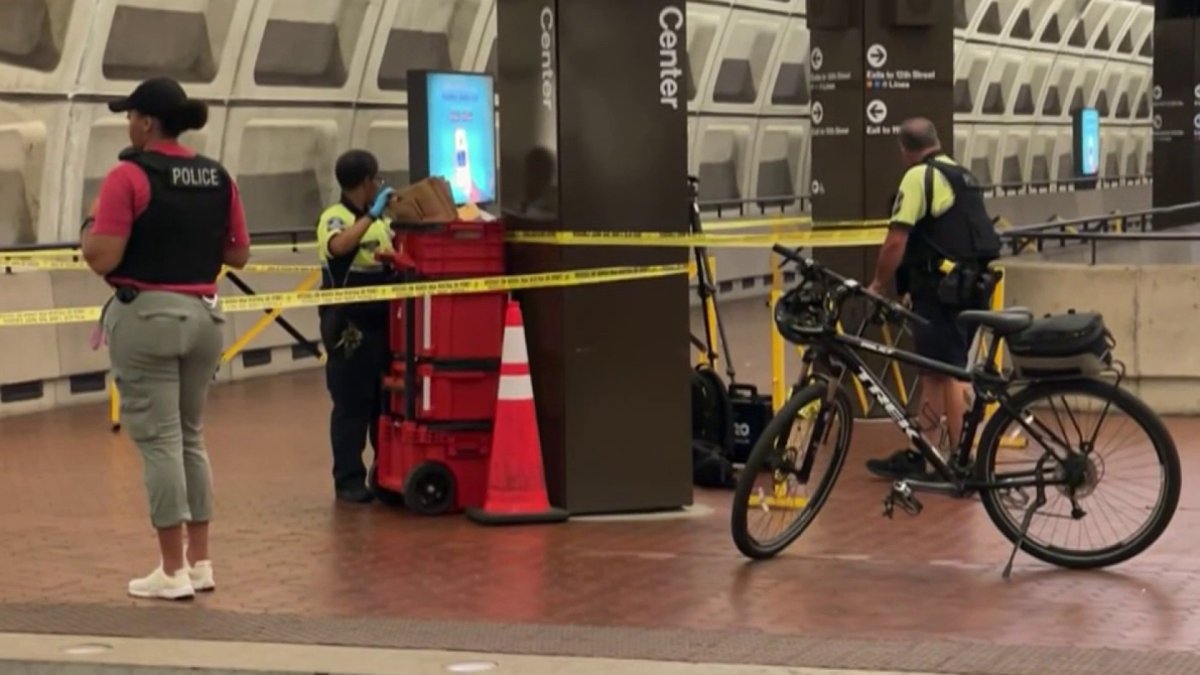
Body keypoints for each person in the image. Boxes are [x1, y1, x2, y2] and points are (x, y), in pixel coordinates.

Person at [81, 76, 250, 600]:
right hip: (204, 316)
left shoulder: (128, 176)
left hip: (148, 317)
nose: (127, 124)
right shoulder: (218, 176)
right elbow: (238, 254)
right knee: (191, 436)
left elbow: (101, 255)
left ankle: (170, 571)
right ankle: (201, 564)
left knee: (159, 442)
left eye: (130, 116)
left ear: (147, 122)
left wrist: (90, 224)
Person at [864, 117, 1001, 480]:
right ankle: (920, 452)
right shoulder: (962, 175)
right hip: (970, 287)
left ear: (904, 150)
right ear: (936, 140)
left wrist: (878, 284)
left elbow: (897, 239)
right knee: (933, 374)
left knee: (951, 371)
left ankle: (958, 459)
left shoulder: (918, 176)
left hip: (943, 292)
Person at [317, 150, 396, 504]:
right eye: (375, 179)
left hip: (383, 323)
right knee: (351, 404)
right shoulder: (334, 217)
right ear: (366, 182)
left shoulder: (380, 224)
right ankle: (348, 479)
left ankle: (385, 473)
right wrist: (370, 215)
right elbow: (339, 246)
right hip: (349, 326)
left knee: (384, 401)